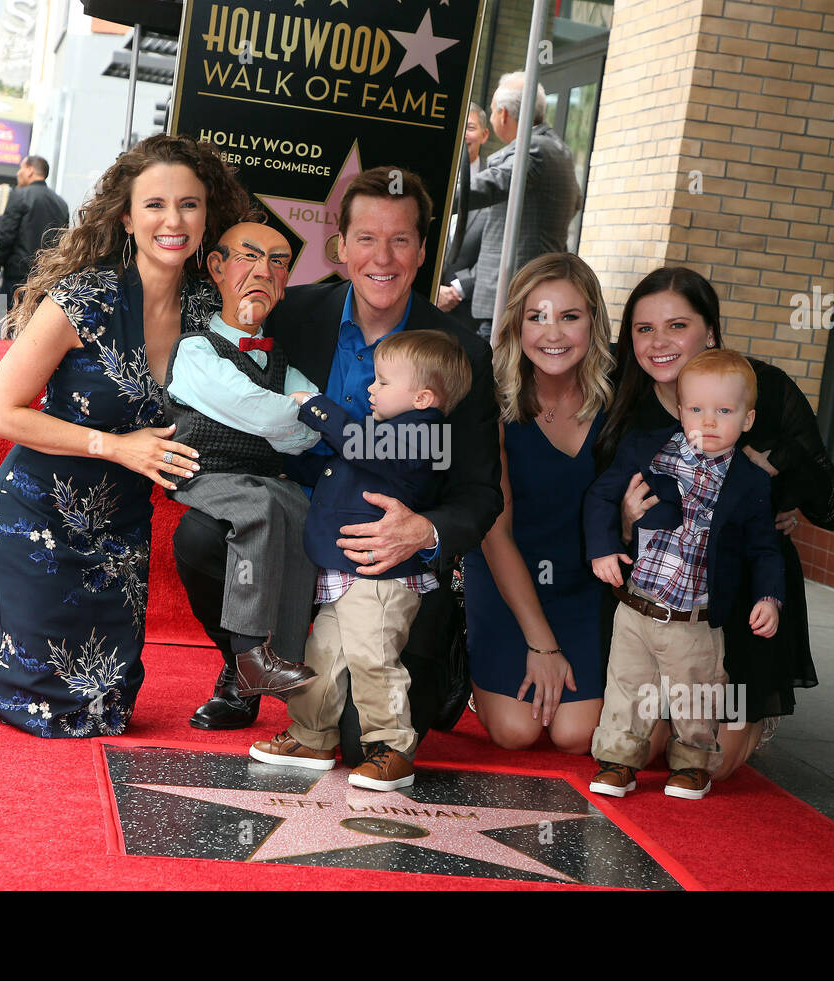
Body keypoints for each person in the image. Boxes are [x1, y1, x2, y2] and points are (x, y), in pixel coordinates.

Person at [0, 134, 249, 741]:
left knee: (106, 711)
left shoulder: (206, 307)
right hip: (38, 509)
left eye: (190, 205)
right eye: (155, 205)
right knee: (48, 713)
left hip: (120, 526)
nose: (174, 220)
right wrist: (116, 446)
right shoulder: (83, 299)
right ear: (126, 217)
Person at [173, 167, 502, 759]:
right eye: (367, 239)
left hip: (388, 562)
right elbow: (222, 344)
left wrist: (423, 531)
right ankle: (246, 664)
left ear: (423, 251)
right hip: (300, 527)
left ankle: (411, 665)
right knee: (202, 534)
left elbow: (480, 493)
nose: (384, 257)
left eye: (401, 239)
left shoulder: (461, 352)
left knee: (357, 742)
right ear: (341, 247)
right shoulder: (292, 314)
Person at [591, 266, 834, 779]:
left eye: (677, 326)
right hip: (653, 589)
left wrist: (777, 466)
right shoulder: (624, 396)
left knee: (712, 761)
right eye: (644, 329)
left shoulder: (760, 390)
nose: (659, 342)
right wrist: (620, 522)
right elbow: (595, 497)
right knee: (639, 738)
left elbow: (831, 508)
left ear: (709, 331)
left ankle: (754, 709)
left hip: (738, 591)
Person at [252, 330, 473, 790]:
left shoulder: (424, 435)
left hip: (381, 578)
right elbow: (335, 466)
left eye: (383, 382)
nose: (370, 389)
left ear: (423, 397)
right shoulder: (377, 438)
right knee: (323, 657)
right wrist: (284, 460)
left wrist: (315, 405)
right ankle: (311, 735)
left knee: (373, 659)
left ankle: (392, 746)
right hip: (343, 574)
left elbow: (353, 444)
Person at [584, 350, 784, 801]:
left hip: (695, 616)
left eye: (724, 411)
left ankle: (692, 763)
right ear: (679, 410)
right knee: (626, 689)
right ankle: (617, 761)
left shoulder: (751, 482)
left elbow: (764, 549)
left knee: (697, 696)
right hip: (637, 605)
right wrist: (603, 549)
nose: (707, 422)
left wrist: (769, 597)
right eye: (695, 409)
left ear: (747, 419)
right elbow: (601, 496)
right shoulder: (647, 448)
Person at [161, 219, 320, 699]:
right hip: (205, 474)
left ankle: (282, 655)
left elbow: (308, 434)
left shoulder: (282, 364)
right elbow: (264, 414)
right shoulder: (195, 348)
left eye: (278, 261)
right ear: (216, 267)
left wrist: (289, 417)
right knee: (259, 511)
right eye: (248, 256)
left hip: (264, 481)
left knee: (297, 512)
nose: (263, 271)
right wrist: (285, 413)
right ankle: (248, 654)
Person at [463, 252, 613, 754]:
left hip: (584, 587)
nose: (553, 332)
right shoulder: (492, 402)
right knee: (516, 733)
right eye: (537, 316)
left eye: (569, 316)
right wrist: (541, 643)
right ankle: (471, 672)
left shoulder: (616, 404)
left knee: (577, 736)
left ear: (594, 323)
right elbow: (494, 532)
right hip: (507, 579)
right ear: (517, 325)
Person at [462, 73, 581, 340]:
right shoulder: (559, 149)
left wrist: (432, 194)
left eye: (492, 112)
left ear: (503, 114)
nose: (492, 118)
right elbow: (576, 202)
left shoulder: (532, 149)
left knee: (492, 375)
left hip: (509, 295)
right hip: (530, 290)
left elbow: (486, 187)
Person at [0, 154, 70, 307]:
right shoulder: (61, 204)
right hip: (47, 278)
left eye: (21, 168)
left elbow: (6, 235)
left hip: (17, 277)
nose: (18, 173)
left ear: (30, 171)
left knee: (10, 323)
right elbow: (63, 242)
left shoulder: (19, 195)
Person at [437, 104, 489, 332]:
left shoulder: (497, 185)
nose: (463, 134)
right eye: (458, 127)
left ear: (484, 135)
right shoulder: (429, 176)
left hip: (469, 316)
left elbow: (499, 248)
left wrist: (459, 288)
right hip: (421, 305)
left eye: (470, 127)